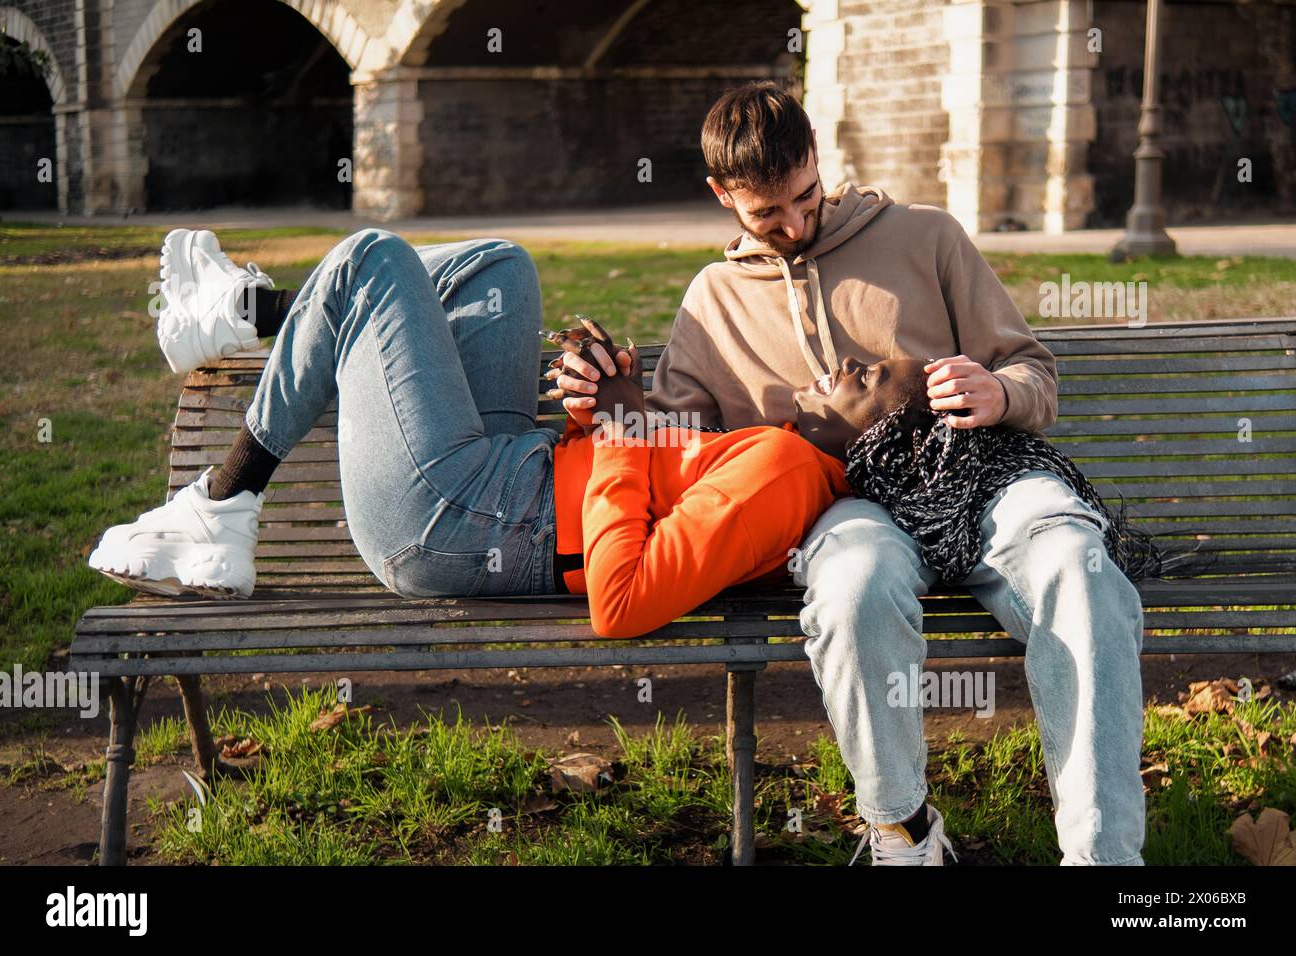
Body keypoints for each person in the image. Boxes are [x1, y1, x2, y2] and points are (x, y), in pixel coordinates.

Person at [548, 82, 1150, 866]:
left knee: (1079, 564)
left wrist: (1000, 391)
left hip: (983, 474)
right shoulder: (713, 301)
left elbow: (1033, 372)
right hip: (844, 508)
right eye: (768, 214)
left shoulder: (927, 237)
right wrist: (604, 396)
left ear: (817, 161)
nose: (794, 225)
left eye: (805, 196)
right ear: (721, 196)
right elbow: (684, 449)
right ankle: (904, 834)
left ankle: (1105, 860)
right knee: (851, 588)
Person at [91, 227, 871, 639]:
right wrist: (601, 403)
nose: (846, 367)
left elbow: (622, 601)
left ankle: (224, 498)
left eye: (868, 381)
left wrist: (625, 430)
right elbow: (642, 482)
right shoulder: (783, 456)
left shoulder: (783, 471)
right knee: (499, 268)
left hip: (456, 521)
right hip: (504, 475)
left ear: (872, 442)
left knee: (373, 258)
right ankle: (253, 316)